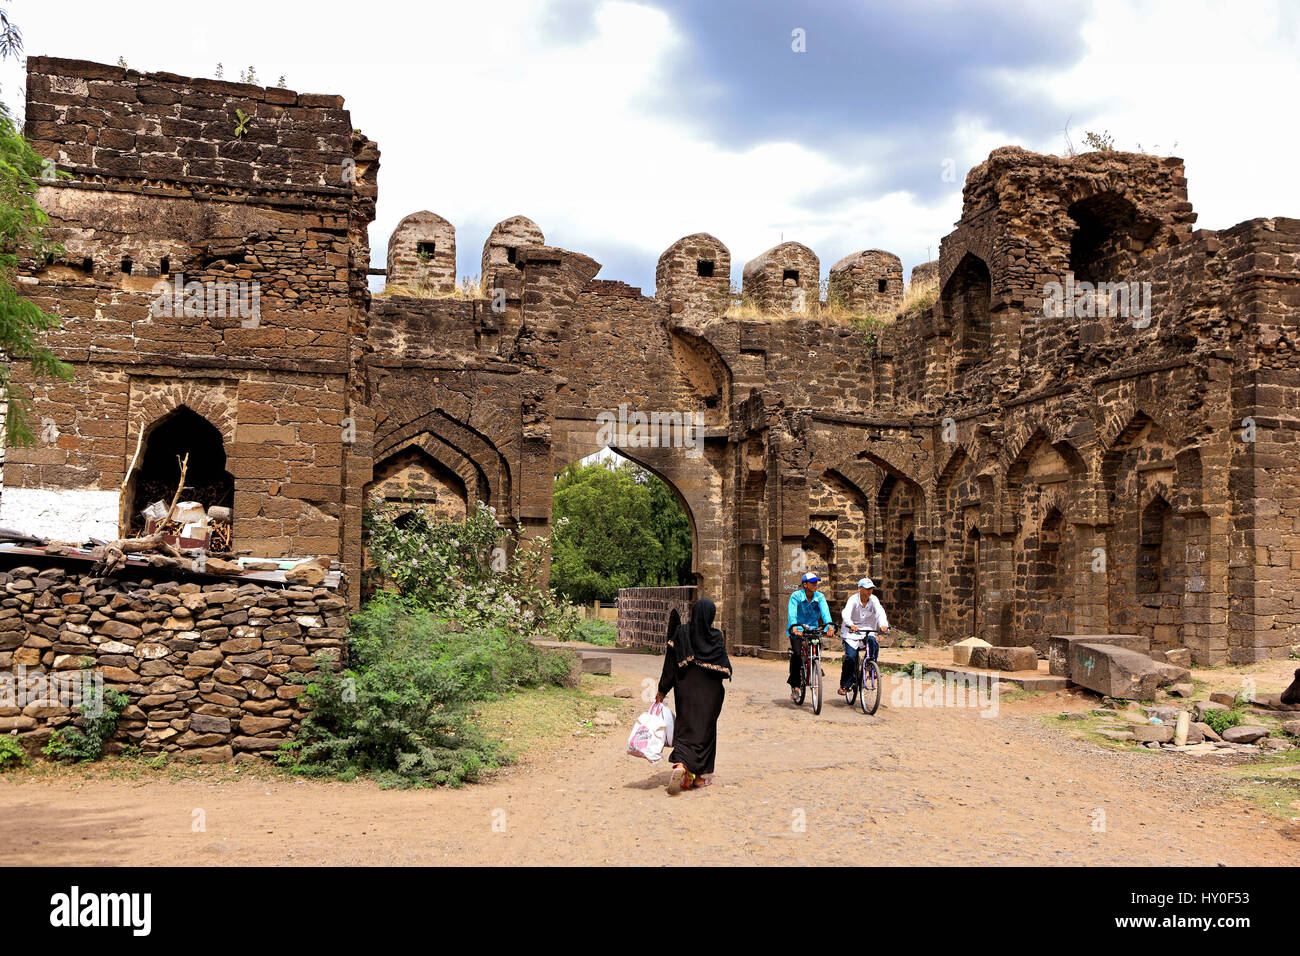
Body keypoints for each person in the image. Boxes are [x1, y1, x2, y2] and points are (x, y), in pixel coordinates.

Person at [656, 598, 732, 794]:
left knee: (685, 727)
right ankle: (698, 779)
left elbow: (670, 666)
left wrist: (661, 691)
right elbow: (723, 668)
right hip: (710, 694)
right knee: (705, 732)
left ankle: (681, 765)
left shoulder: (681, 634)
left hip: (686, 692)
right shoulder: (715, 637)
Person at [839, 577, 889, 695]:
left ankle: (871, 666)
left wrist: (883, 625)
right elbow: (846, 613)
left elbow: (880, 612)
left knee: (873, 642)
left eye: (871, 589)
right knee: (850, 657)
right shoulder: (853, 600)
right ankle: (845, 684)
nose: (869, 592)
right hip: (851, 632)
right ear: (859, 589)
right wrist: (851, 624)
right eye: (866, 589)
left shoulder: (874, 600)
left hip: (867, 630)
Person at [787, 571, 833, 698]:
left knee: (816, 645)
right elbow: (792, 614)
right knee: (797, 654)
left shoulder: (820, 597)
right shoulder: (796, 596)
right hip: (797, 628)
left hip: (812, 628)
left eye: (816, 582)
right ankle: (795, 687)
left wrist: (829, 626)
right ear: (805, 584)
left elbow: (825, 613)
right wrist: (795, 627)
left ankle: (816, 664)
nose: (815, 584)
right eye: (812, 582)